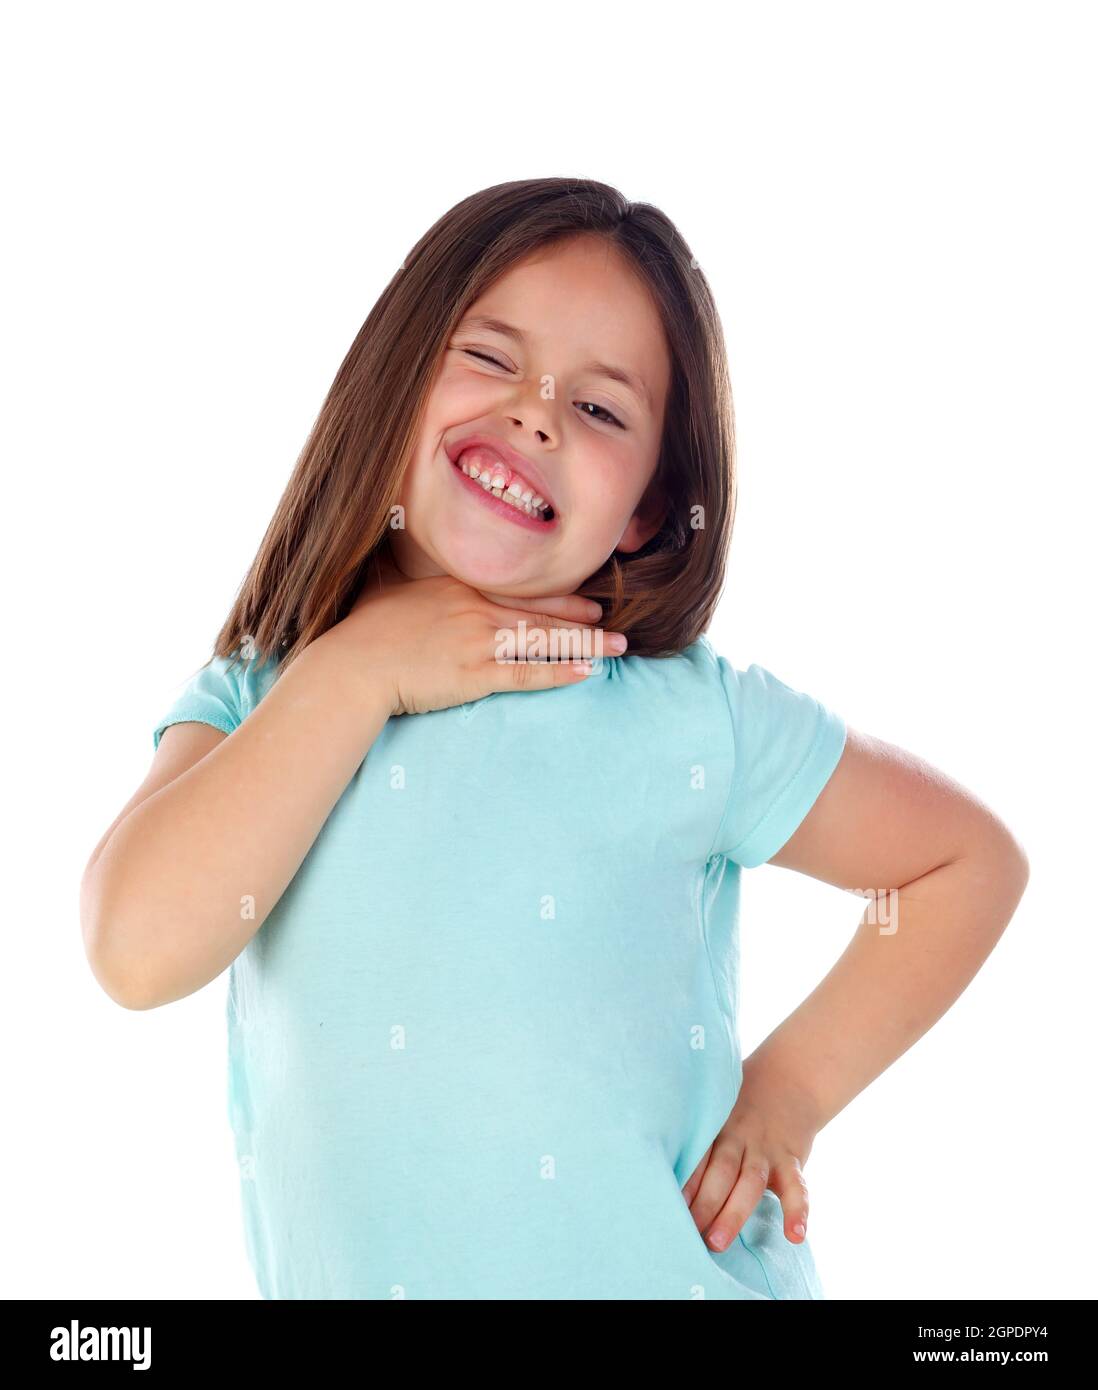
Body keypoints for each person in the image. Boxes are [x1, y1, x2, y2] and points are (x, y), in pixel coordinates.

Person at [79, 177, 1029, 1300]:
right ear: (396, 379)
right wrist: (359, 669)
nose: (537, 414)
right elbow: (137, 953)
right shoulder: (263, 700)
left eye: (601, 409)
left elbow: (965, 864)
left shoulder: (688, 714)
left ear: (645, 508)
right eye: (492, 357)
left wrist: (791, 1094)